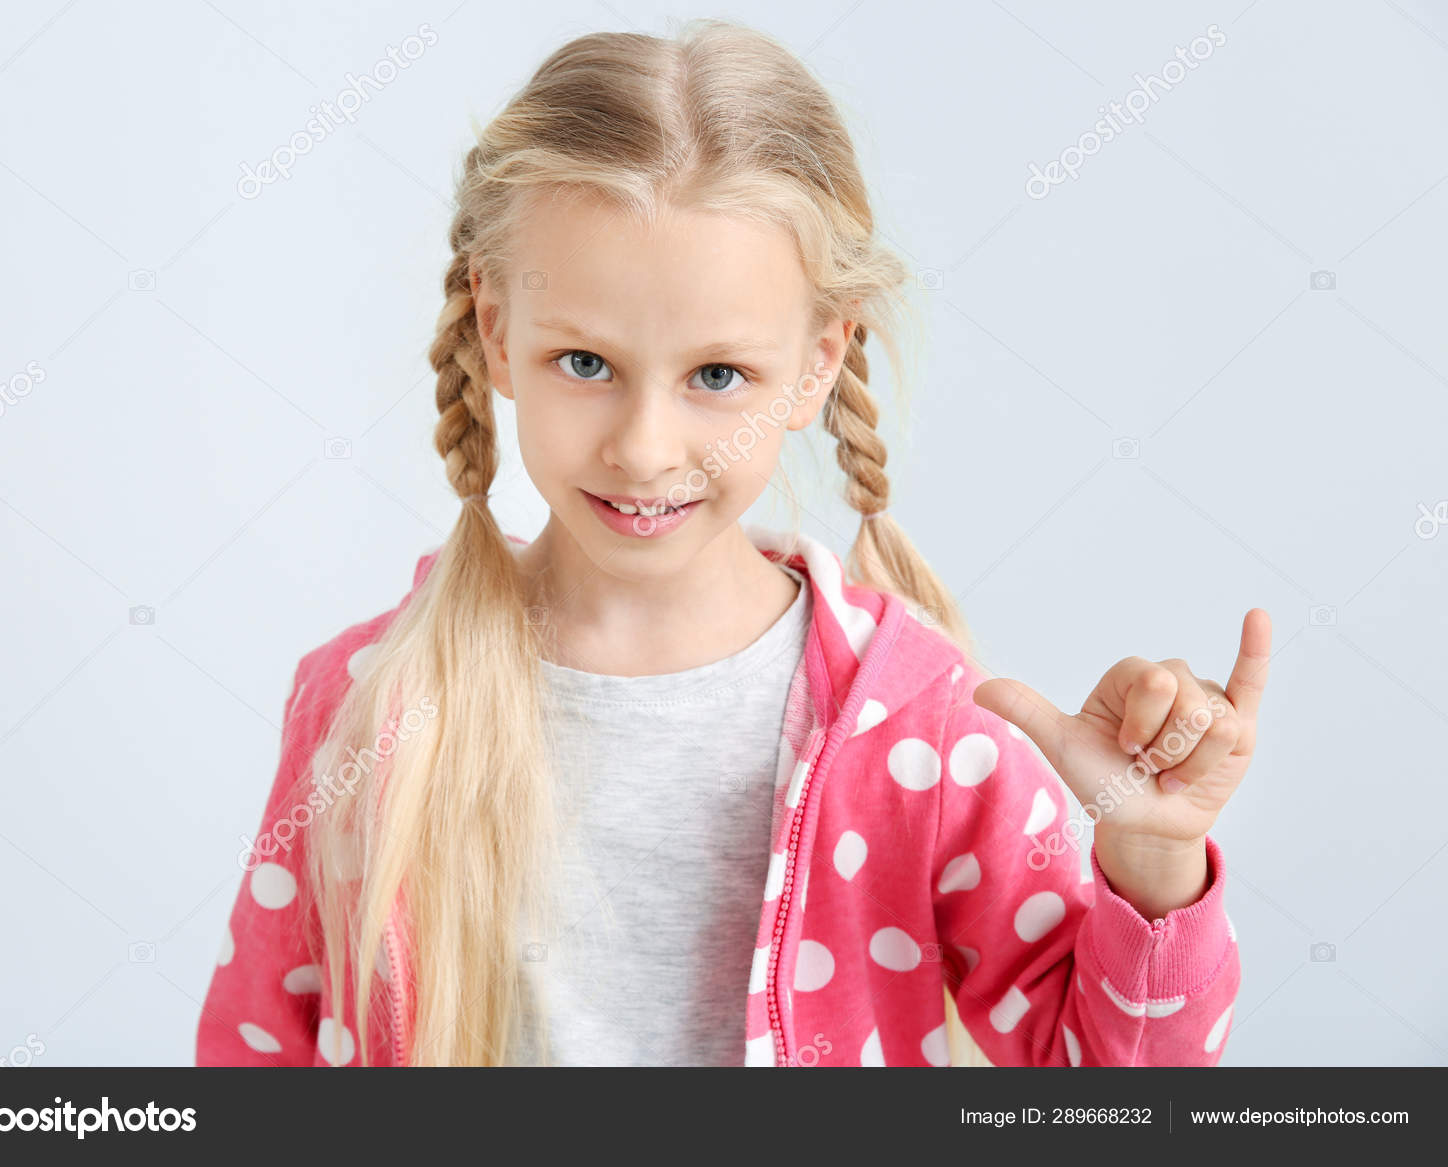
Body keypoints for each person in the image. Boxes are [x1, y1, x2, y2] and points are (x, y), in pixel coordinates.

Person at [196, 19, 1268, 1067]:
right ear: (494, 329)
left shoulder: (923, 728)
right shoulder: (368, 705)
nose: (644, 448)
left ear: (813, 367)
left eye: (716, 377)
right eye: (583, 361)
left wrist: (1152, 859)